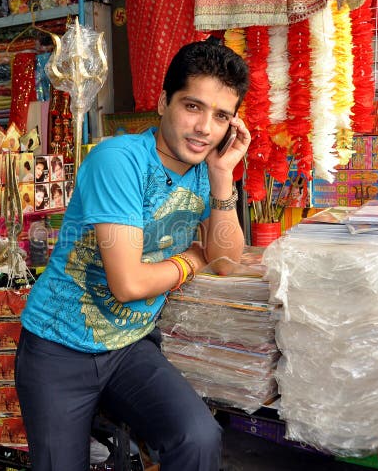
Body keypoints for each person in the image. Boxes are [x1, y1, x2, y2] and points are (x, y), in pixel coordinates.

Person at [15, 39, 251, 470]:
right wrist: (192, 259)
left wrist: (222, 176)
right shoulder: (118, 160)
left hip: (129, 346)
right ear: (163, 102)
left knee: (197, 437)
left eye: (221, 116)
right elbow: (128, 284)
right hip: (58, 347)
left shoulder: (206, 170)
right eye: (193, 107)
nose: (204, 128)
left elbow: (227, 260)